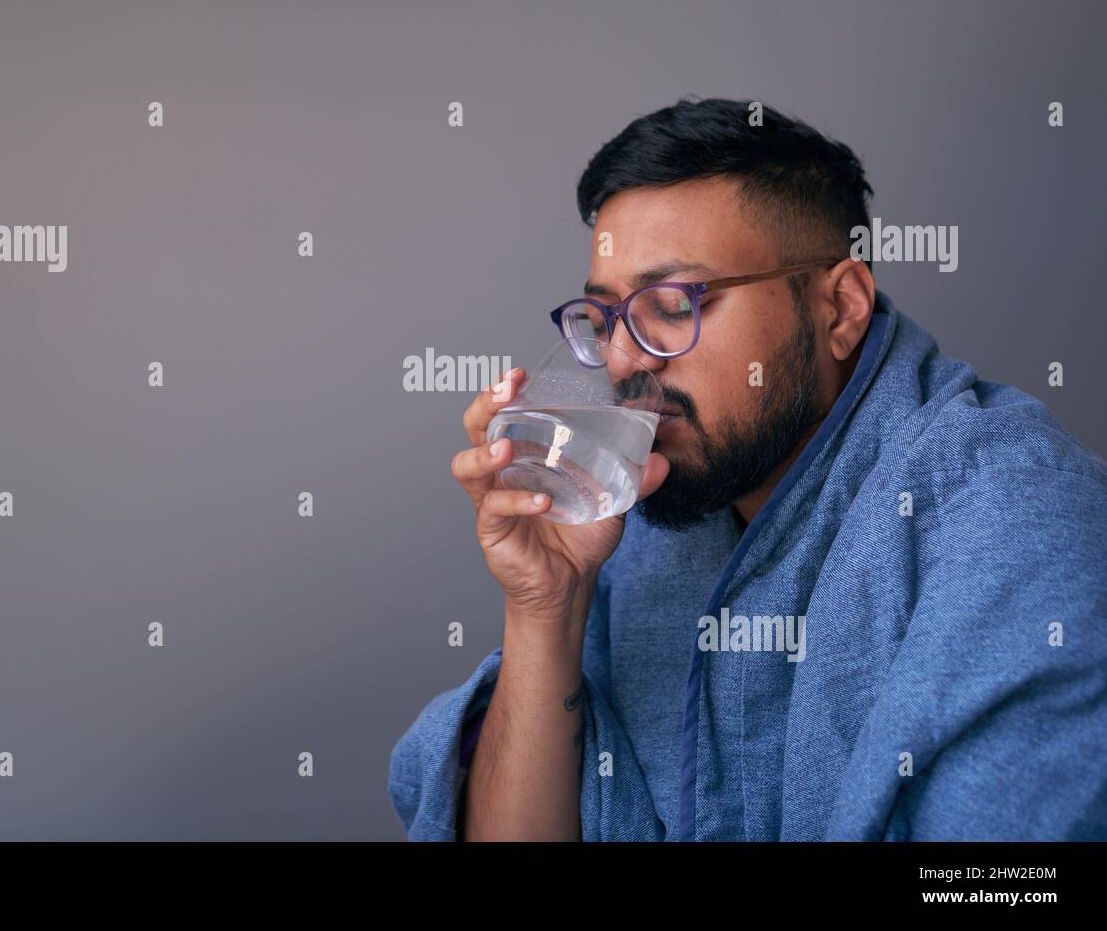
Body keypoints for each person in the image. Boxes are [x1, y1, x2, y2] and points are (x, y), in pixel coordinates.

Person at [387, 97, 1107, 841]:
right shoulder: (643, 508)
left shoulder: (1017, 522)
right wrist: (547, 608)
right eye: (604, 319)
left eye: (671, 305)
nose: (624, 362)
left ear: (841, 308)